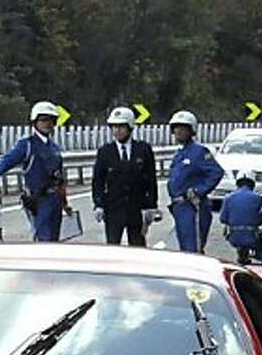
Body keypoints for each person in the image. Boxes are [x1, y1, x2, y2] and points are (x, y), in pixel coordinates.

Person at [0, 101, 69, 241]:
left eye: (51, 120)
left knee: (55, 240)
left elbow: (60, 177)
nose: (48, 123)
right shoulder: (27, 144)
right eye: (43, 120)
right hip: (38, 200)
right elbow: (9, 159)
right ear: (35, 122)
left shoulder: (54, 147)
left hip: (54, 199)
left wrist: (64, 202)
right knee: (43, 238)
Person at [91, 106, 159, 247]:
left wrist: (151, 205)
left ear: (130, 127)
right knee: (113, 247)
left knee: (138, 246)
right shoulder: (105, 151)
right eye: (114, 127)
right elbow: (98, 180)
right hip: (113, 208)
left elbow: (151, 180)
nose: (117, 131)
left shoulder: (143, 149)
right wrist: (98, 204)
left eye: (121, 127)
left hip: (136, 208)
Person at [164, 109, 224, 253]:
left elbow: (216, 172)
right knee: (184, 248)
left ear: (192, 130)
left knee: (193, 249)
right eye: (176, 128)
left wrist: (199, 190)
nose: (178, 131)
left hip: (192, 207)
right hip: (179, 207)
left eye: (183, 128)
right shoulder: (179, 154)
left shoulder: (199, 152)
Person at [220, 174, 262, 265]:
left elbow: (223, 219)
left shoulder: (228, 198)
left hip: (234, 237)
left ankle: (243, 258)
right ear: (252, 184)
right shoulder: (258, 198)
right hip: (253, 236)